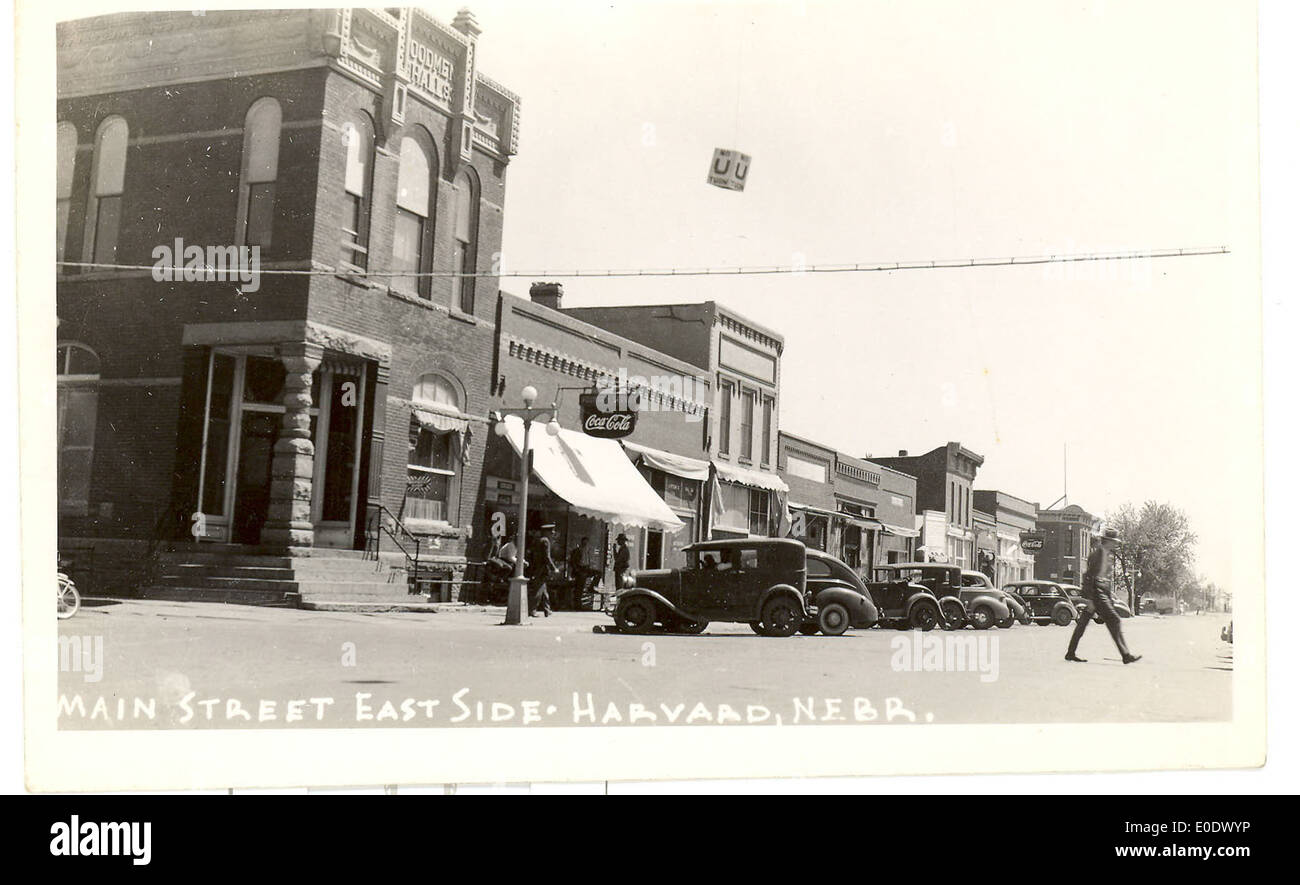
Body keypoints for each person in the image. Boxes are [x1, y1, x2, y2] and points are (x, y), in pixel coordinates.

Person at [1066, 527, 1141, 664]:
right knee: (1114, 620)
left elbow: (1105, 578)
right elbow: (1088, 576)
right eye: (1114, 541)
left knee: (1083, 623)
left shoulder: (1106, 554)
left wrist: (1109, 596)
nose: (1116, 544)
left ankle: (1070, 653)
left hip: (1102, 591)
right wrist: (1089, 598)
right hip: (1097, 592)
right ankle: (1125, 655)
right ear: (1108, 541)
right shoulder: (1098, 554)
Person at [526, 524, 557, 617]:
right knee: (538, 590)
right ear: (546, 532)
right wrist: (553, 568)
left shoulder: (538, 540)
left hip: (537, 568)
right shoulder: (545, 541)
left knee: (543, 589)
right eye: (551, 532)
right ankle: (532, 610)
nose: (553, 533)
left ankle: (547, 609)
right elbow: (546, 557)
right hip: (542, 569)